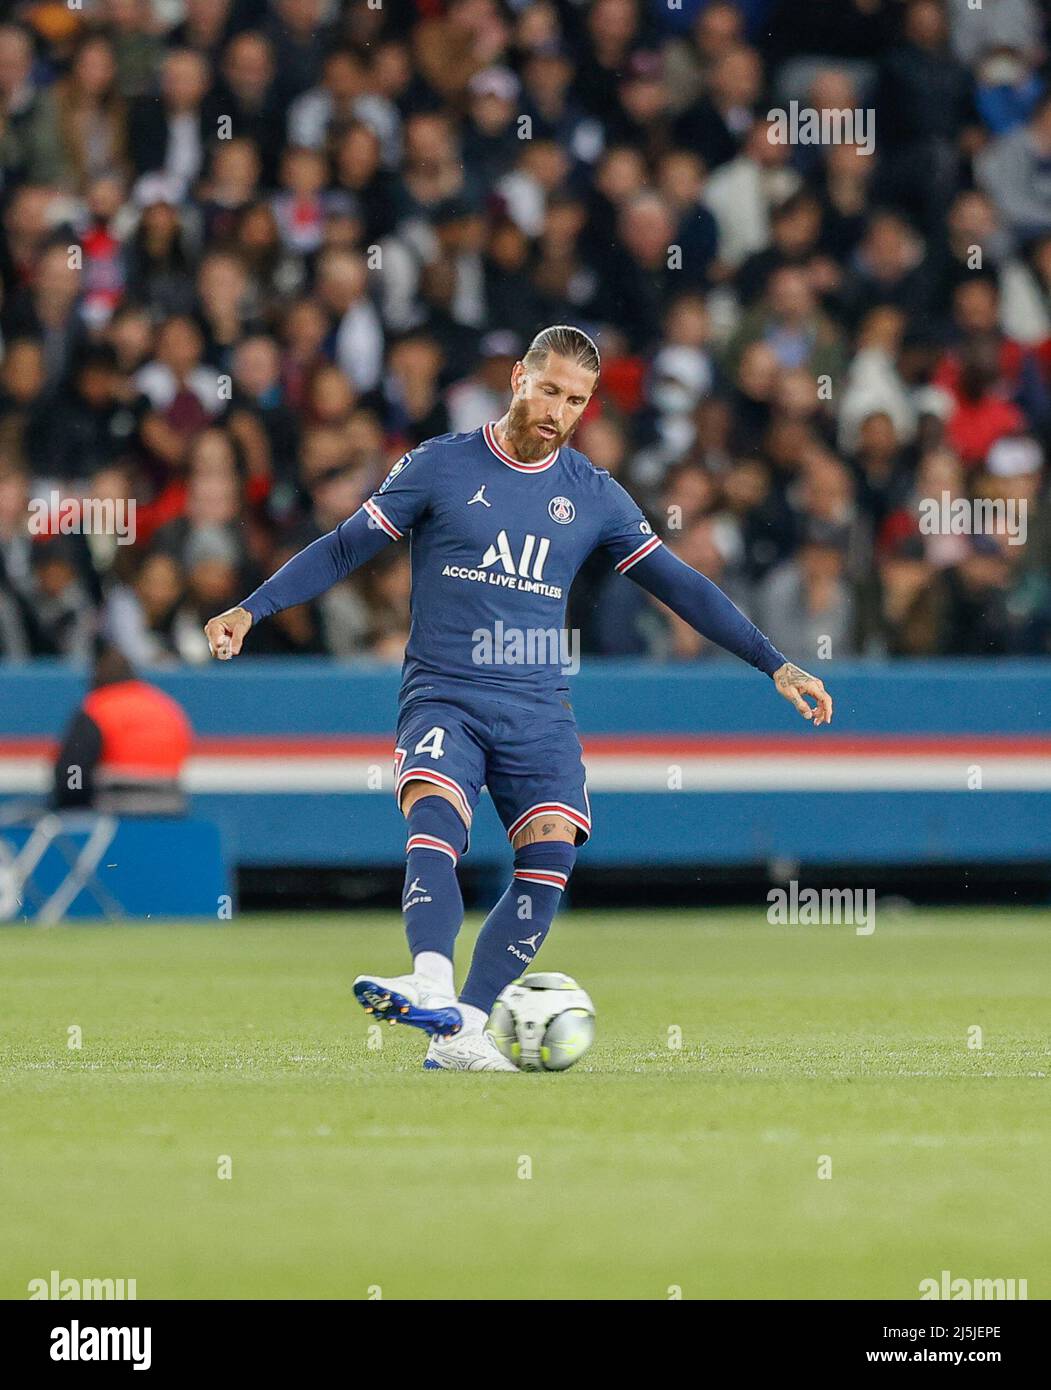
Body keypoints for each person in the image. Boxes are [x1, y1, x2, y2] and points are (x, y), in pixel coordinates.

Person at [204, 325, 833, 1071]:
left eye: (575, 400)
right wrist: (253, 607)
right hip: (446, 693)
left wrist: (775, 664)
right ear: (516, 380)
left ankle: (464, 1031)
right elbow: (346, 545)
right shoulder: (439, 465)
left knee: (550, 858)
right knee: (434, 813)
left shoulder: (595, 496)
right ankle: (431, 978)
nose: (558, 411)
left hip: (537, 708)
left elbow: (681, 586)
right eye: (548, 390)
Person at [52, 646, 192, 815]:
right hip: (171, 805)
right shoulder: (165, 706)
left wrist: (71, 801)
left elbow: (74, 766)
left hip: (116, 806)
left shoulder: (98, 708)